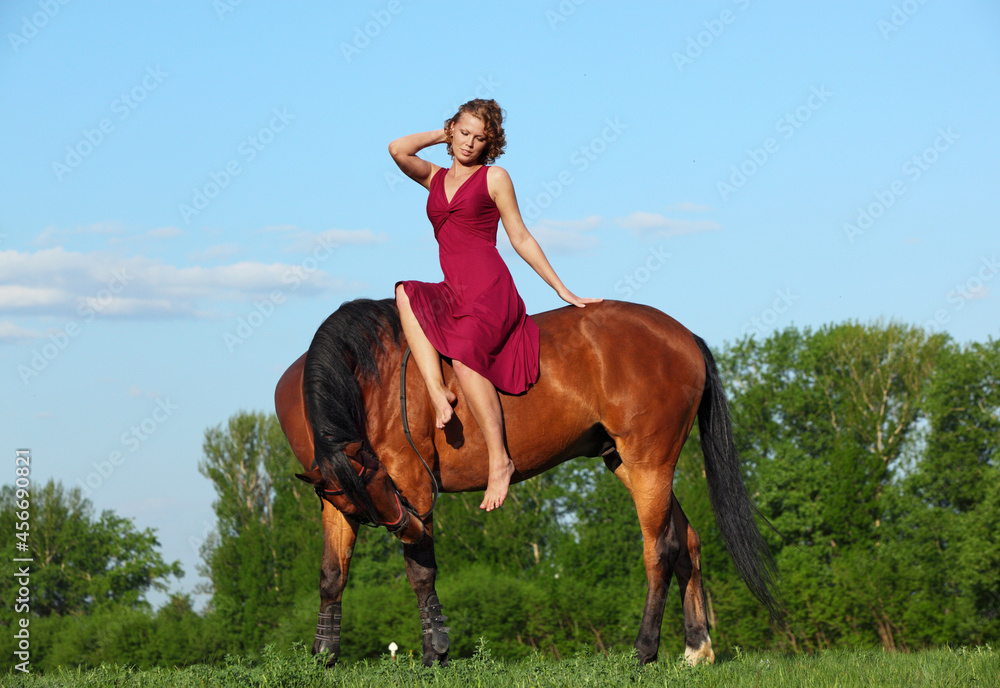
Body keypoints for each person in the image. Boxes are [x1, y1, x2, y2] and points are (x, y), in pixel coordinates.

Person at [389, 99, 601, 511]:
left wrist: (562, 289)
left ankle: (499, 459)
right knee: (405, 292)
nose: (469, 143)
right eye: (464, 133)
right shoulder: (432, 177)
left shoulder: (494, 178)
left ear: (491, 144)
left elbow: (520, 236)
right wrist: (444, 132)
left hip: (489, 289)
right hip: (454, 288)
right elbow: (398, 149)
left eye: (479, 138)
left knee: (467, 354)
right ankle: (437, 393)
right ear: (453, 132)